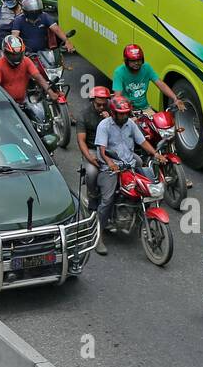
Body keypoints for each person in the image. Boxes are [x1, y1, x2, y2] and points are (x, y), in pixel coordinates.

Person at [77, 86, 115, 254]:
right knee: (92, 172)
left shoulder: (112, 111)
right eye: (98, 104)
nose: (101, 107)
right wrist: (89, 157)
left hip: (111, 148)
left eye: (104, 104)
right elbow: (81, 141)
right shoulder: (84, 115)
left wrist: (110, 120)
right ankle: (93, 197)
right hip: (93, 149)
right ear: (93, 102)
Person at [95, 95, 161, 181]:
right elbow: (102, 150)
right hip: (111, 167)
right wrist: (111, 163)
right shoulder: (104, 125)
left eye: (126, 113)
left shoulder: (130, 123)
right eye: (121, 114)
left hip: (129, 164)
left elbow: (142, 142)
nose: (124, 116)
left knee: (149, 183)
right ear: (113, 113)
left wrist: (155, 154)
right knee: (109, 193)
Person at [112, 44, 184, 114]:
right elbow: (118, 97)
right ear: (126, 61)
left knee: (158, 124)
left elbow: (161, 84)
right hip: (127, 109)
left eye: (139, 60)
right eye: (133, 61)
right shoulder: (119, 72)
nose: (137, 63)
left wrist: (175, 99)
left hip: (145, 109)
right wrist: (127, 108)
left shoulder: (146, 67)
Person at [0, 35, 57, 105]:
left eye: (18, 55)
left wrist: (51, 93)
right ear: (5, 52)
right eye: (13, 55)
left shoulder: (26, 60)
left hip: (24, 100)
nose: (16, 58)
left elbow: (38, 77)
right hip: (7, 104)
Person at [11, 0, 75, 56]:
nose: (34, 14)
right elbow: (15, 37)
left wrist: (67, 41)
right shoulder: (18, 20)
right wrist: (16, 51)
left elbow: (56, 29)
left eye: (37, 12)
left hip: (45, 52)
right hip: (26, 54)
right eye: (32, 12)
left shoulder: (44, 16)